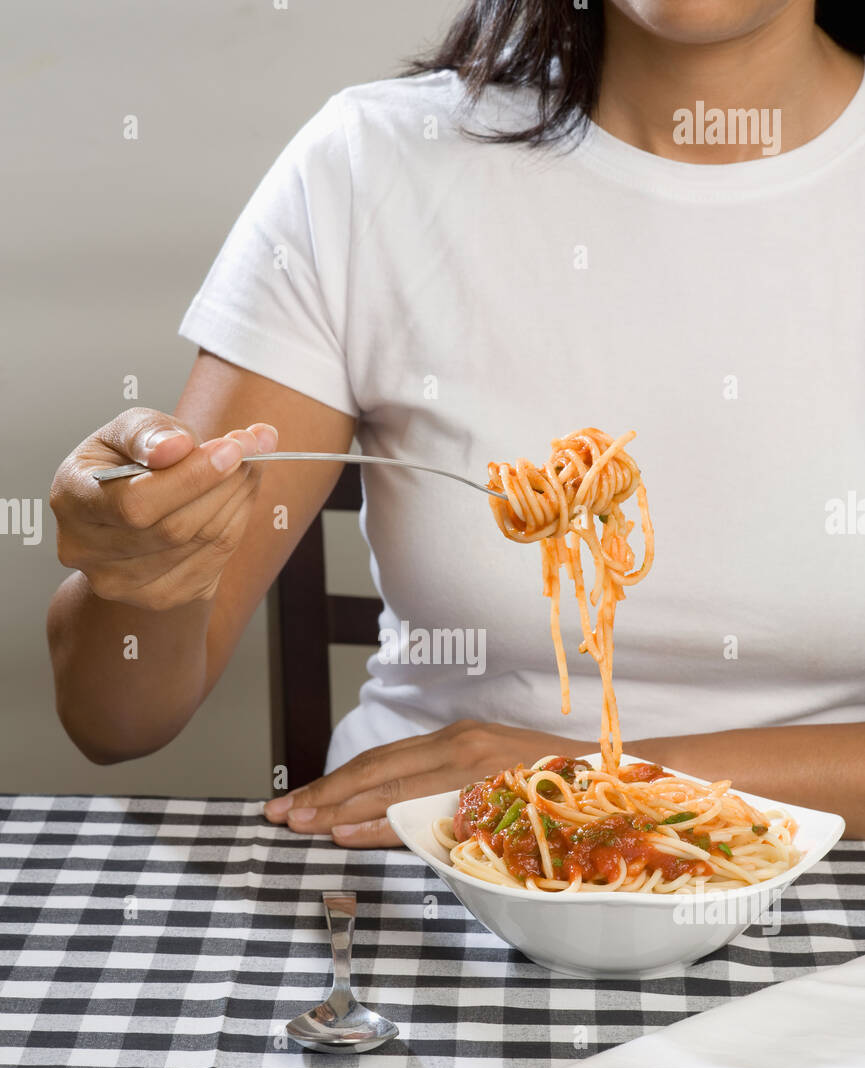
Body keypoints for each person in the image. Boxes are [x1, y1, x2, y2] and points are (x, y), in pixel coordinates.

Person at [48, 0, 865, 843]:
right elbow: (115, 724)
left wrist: (589, 782)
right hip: (427, 867)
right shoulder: (372, 165)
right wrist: (139, 572)